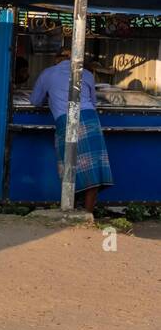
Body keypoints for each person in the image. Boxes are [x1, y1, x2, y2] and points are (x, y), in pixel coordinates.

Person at [29, 45, 113, 214]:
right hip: (90, 119)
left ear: (57, 58)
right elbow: (94, 103)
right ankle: (88, 213)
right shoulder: (87, 74)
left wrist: (51, 97)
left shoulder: (47, 73)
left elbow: (35, 101)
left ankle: (69, 208)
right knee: (93, 169)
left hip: (65, 120)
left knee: (69, 166)